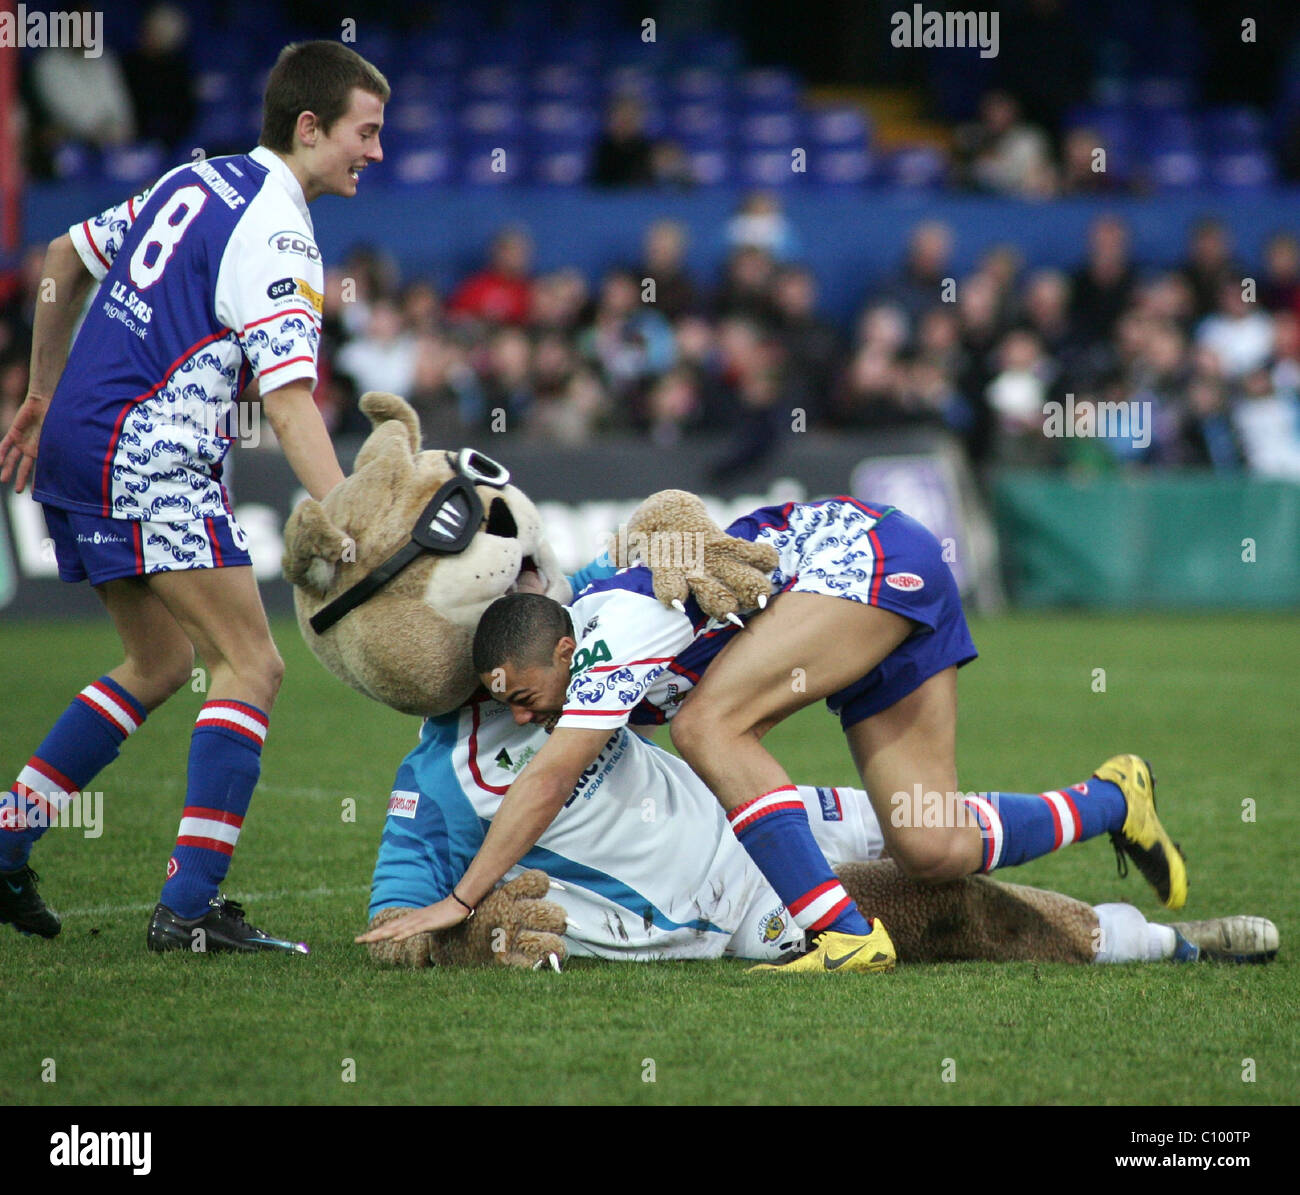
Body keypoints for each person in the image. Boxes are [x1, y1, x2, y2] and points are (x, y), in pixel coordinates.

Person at [362, 496, 1188, 973]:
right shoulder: (572, 642)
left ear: (567, 653)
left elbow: (545, 782)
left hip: (864, 556)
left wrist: (460, 898)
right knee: (932, 847)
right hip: (870, 602)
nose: (527, 714)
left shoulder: (604, 635)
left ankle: (843, 936)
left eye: (533, 695)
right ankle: (1116, 798)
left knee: (706, 723)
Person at [0, 41, 389, 952]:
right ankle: (189, 911)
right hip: (149, 460)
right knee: (255, 665)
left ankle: (8, 840)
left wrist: (40, 391)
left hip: (78, 448)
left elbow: (61, 255)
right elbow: (290, 402)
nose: (374, 152)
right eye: (363, 133)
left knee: (162, 662)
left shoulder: (200, 180)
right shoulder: (282, 232)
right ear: (309, 127)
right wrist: (353, 523)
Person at [356, 688, 1272, 968]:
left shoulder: (575, 661)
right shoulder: (433, 780)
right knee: (936, 900)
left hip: (755, 807)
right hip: (734, 902)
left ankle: (1115, 797)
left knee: (930, 825)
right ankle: (1160, 944)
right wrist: (467, 930)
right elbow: (396, 915)